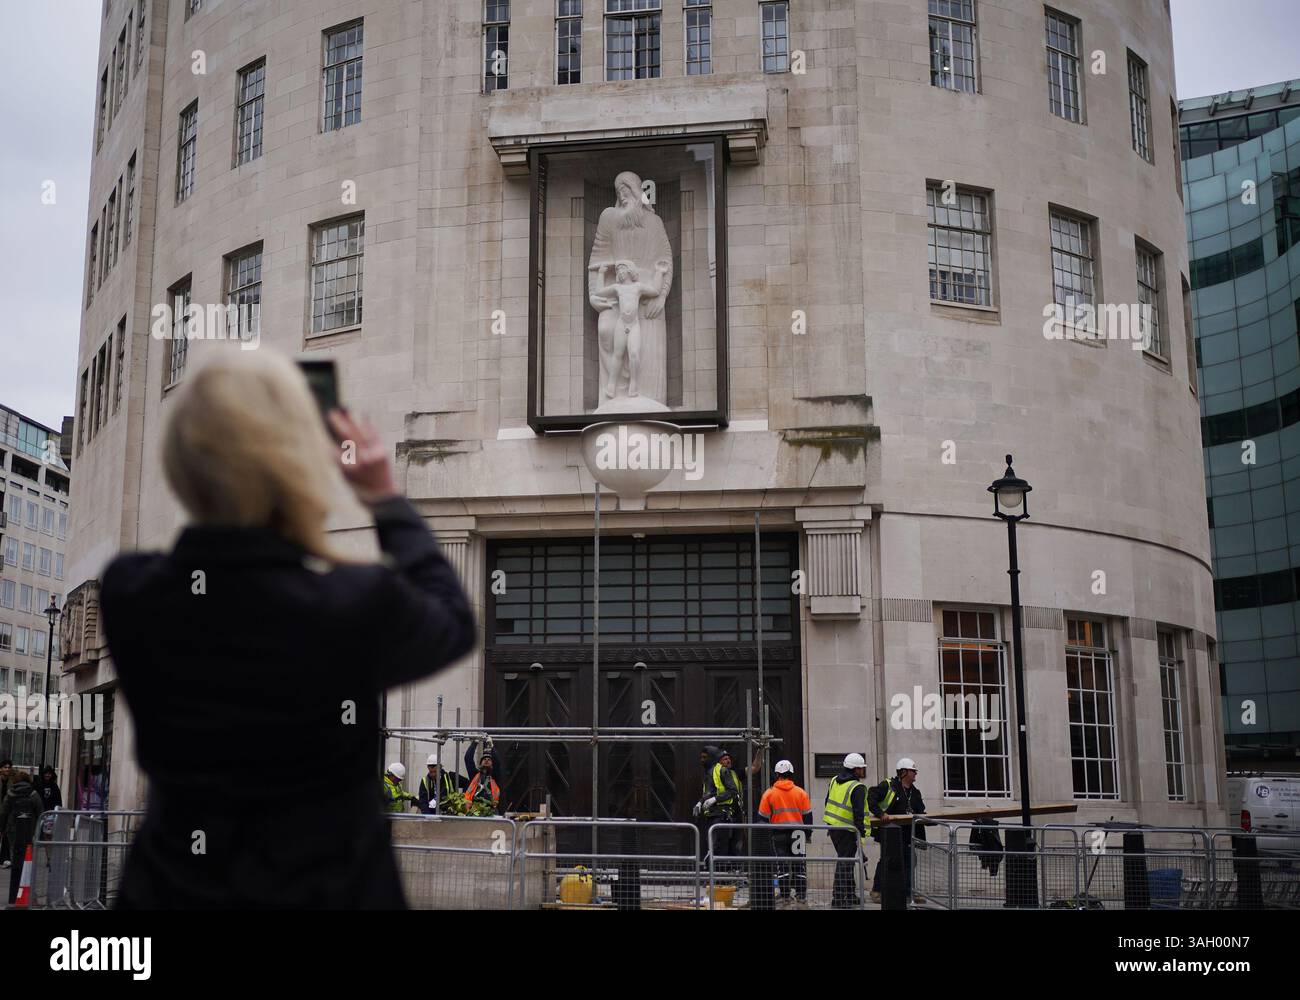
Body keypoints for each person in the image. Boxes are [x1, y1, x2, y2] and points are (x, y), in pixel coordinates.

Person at [99, 347, 476, 908]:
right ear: (297, 466)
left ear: (184, 462)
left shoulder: (132, 593)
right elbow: (452, 618)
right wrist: (383, 496)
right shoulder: (351, 603)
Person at [868, 757, 927, 904]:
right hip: (890, 834)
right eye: (913, 771)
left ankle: (908, 893)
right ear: (904, 772)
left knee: (909, 862)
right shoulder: (889, 786)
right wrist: (881, 814)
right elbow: (871, 797)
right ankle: (877, 891)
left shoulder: (915, 792)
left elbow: (921, 812)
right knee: (886, 862)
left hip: (908, 835)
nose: (915, 774)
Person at [758, 759, 813, 904]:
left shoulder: (769, 793)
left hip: (778, 834)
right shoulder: (801, 793)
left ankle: (785, 896)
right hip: (798, 834)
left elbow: (762, 818)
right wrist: (808, 834)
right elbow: (808, 817)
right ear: (791, 774)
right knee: (799, 865)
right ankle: (801, 896)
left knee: (782, 866)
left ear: (777, 774)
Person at [822, 752, 869, 909]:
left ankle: (850, 894)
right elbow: (858, 813)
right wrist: (860, 833)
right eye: (862, 768)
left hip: (833, 827)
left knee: (847, 860)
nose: (863, 771)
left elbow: (827, 801)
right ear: (855, 769)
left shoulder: (835, 780)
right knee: (845, 863)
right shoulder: (857, 787)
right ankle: (839, 897)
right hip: (848, 830)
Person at [0, 769, 43, 903]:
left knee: (16, 859)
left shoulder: (10, 793)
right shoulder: (33, 794)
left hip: (13, 830)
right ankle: (28, 893)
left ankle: (14, 896)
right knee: (29, 860)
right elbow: (41, 812)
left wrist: (2, 829)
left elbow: (3, 812)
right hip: (29, 830)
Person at [693, 745, 743, 859]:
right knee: (712, 846)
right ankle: (713, 873)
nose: (702, 760)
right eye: (701, 757)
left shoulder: (722, 770)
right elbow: (709, 792)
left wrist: (715, 799)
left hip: (722, 815)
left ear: (711, 758)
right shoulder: (708, 773)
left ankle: (719, 874)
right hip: (711, 815)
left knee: (719, 848)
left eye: (704, 757)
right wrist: (700, 803)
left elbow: (733, 791)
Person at [463, 739, 502, 812]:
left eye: (489, 759)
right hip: (474, 809)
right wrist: (474, 743)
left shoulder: (495, 777)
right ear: (480, 764)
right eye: (484, 759)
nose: (486, 760)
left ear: (492, 764)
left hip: (490, 810)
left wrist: (492, 747)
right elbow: (468, 759)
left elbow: (498, 763)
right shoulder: (474, 775)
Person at [0, 760, 11, 868]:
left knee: (6, 834)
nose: (7, 769)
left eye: (9, 767)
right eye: (5, 767)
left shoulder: (11, 782)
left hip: (7, 812)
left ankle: (5, 857)